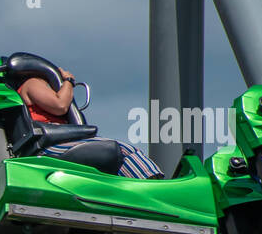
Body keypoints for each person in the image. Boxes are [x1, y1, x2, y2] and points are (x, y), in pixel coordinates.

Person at [18, 66, 163, 179]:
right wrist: (68, 81)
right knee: (123, 150)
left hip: (57, 140)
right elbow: (60, 105)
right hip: (49, 143)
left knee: (125, 152)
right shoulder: (33, 82)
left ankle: (140, 188)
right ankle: (155, 188)